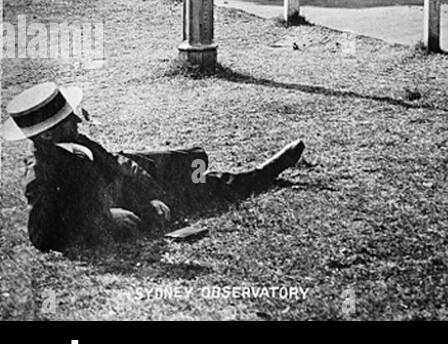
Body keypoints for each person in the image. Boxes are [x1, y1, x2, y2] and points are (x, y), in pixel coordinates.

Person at [3, 81, 305, 253]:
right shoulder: (40, 177)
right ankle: (265, 173)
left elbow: (117, 163)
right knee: (206, 185)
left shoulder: (77, 142)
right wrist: (105, 219)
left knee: (193, 163)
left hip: (136, 177)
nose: (78, 120)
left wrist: (149, 193)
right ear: (47, 134)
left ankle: (243, 174)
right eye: (69, 118)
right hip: (125, 202)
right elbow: (43, 236)